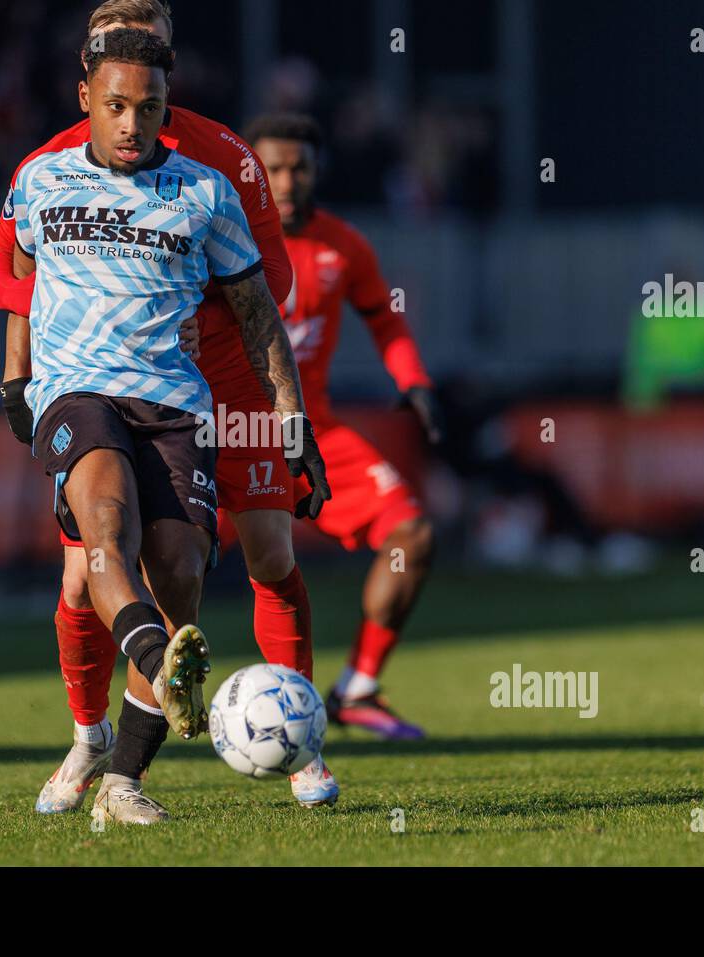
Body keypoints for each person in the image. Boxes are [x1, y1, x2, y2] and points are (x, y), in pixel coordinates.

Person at [0, 0, 340, 810]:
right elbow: (12, 276)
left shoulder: (213, 179)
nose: (132, 119)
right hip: (81, 391)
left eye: (147, 100)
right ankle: (95, 725)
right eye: (115, 101)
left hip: (192, 395)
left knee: (206, 563)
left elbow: (263, 301)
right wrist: (16, 379)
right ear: (87, 88)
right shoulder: (42, 172)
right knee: (96, 555)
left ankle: (128, 775)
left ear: (169, 72)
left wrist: (291, 423)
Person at [243, 112, 443, 739]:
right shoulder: (226, 238)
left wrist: (411, 380)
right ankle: (138, 715)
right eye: (272, 168)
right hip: (228, 433)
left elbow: (384, 317)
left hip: (313, 435)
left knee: (410, 535)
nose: (286, 180)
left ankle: (358, 687)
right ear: (251, 171)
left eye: (298, 167)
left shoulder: (343, 246)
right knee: (170, 559)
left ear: (316, 169)